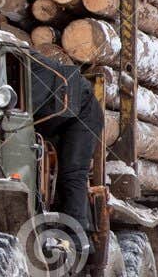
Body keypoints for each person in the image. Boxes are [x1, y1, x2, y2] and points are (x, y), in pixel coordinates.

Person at [28, 52, 104, 233]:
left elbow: (26, 112)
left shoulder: (28, 67)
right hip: (57, 116)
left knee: (72, 172)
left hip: (83, 113)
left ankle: (77, 238)